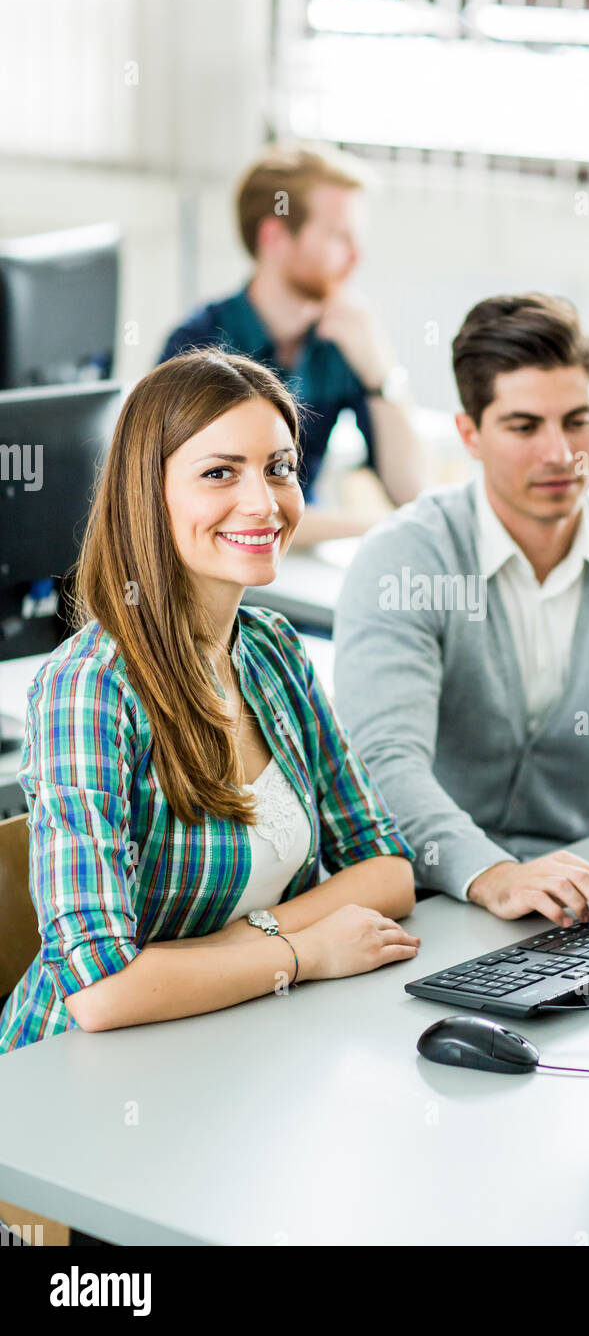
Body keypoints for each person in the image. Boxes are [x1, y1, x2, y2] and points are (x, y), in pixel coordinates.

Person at [0, 351, 419, 1055]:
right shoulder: (90, 688)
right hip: (75, 1074)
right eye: (220, 473)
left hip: (235, 1041)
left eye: (279, 468)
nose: (263, 502)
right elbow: (102, 991)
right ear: (149, 494)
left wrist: (250, 940)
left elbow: (388, 870)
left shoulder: (273, 648)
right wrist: (304, 953)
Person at [333, 293, 589, 926]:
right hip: (423, 900)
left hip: (579, 901)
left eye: (577, 421)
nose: (559, 452)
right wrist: (495, 875)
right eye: (524, 427)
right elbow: (380, 764)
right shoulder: (406, 560)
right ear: (470, 435)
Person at [159, 144, 426, 546]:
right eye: (339, 237)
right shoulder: (198, 345)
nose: (356, 258)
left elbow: (411, 490)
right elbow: (213, 508)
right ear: (276, 236)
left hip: (301, 556)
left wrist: (380, 371)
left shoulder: (343, 341)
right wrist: (379, 529)